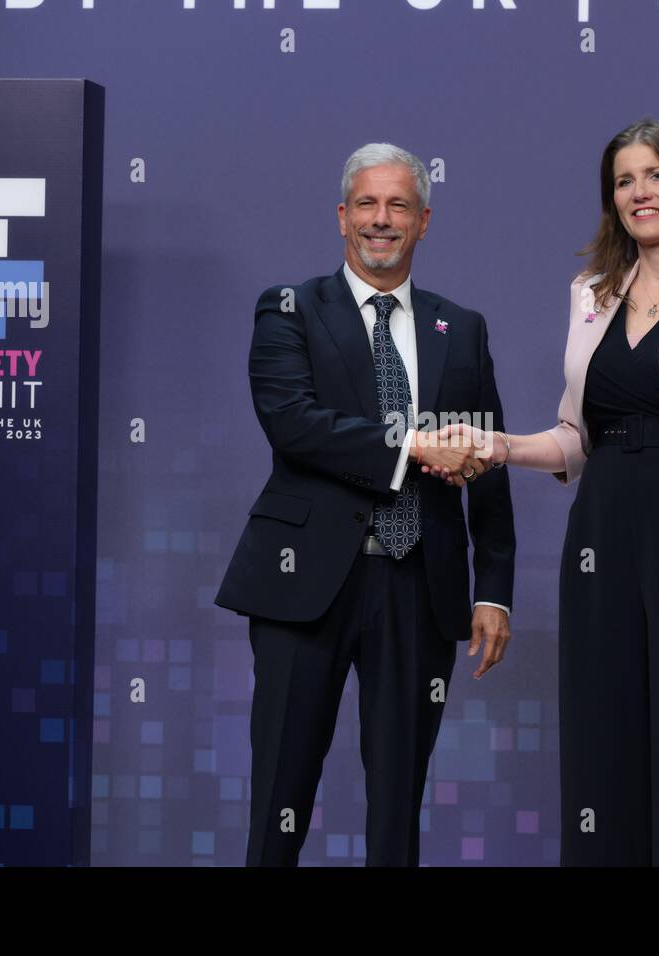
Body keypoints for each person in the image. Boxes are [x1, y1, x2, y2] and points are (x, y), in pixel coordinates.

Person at [438, 119, 659, 865]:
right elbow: (576, 437)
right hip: (603, 532)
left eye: (657, 175)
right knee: (605, 734)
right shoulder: (592, 294)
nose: (640, 192)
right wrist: (497, 447)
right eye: (624, 181)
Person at [214, 143, 515, 866]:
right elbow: (295, 425)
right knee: (280, 796)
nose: (383, 220)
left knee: (397, 808)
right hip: (304, 584)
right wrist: (412, 444)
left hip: (420, 587)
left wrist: (495, 591)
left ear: (424, 221)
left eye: (400, 206)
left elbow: (489, 457)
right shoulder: (290, 308)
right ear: (343, 217)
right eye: (369, 205)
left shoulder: (461, 327)